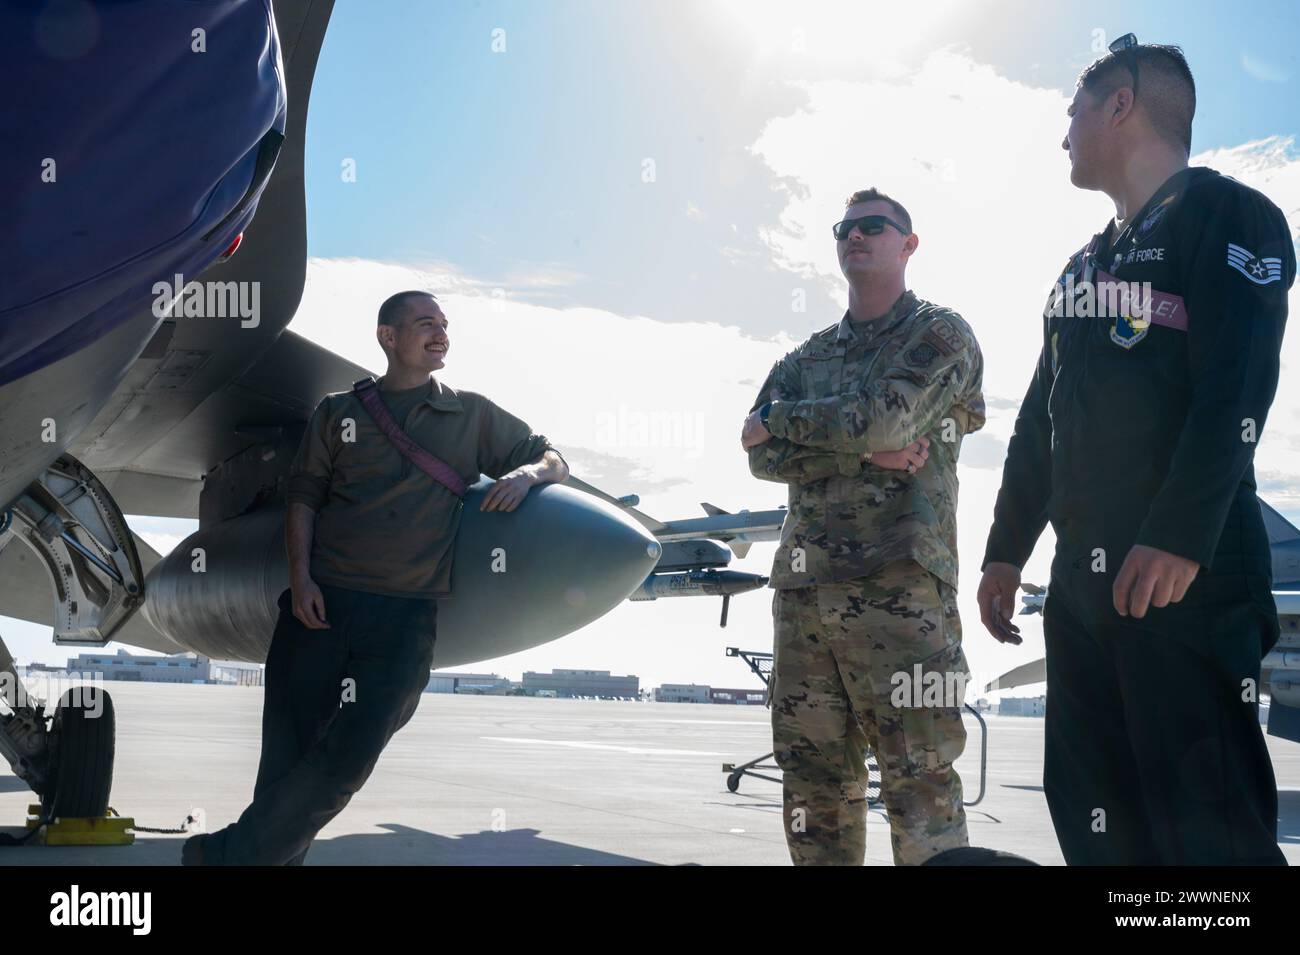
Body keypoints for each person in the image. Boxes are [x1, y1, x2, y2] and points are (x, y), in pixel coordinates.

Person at [978, 38, 1294, 865]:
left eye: (1074, 111)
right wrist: (1007, 552)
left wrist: (1180, 534)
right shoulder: (1082, 268)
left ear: (1122, 106)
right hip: (1084, 598)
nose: (1064, 134)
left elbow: (1238, 384)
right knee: (1099, 826)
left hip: (1186, 585)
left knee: (1205, 832)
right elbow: (1038, 426)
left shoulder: (1226, 215)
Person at [183, 290, 568, 865]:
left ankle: (224, 857)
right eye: (424, 325)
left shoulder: (471, 414)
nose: (440, 334)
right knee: (285, 760)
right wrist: (301, 580)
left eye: (443, 324)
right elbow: (304, 499)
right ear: (388, 337)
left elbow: (553, 455)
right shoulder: (339, 412)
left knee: (348, 760)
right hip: (321, 606)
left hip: (404, 617)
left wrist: (529, 474)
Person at [741, 187, 986, 865]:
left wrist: (794, 420)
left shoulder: (940, 334)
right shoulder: (806, 357)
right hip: (805, 592)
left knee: (920, 781)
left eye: (873, 226)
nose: (855, 236)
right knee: (813, 786)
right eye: (844, 228)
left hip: (902, 589)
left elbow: (887, 418)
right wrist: (862, 448)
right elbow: (758, 453)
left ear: (908, 244)